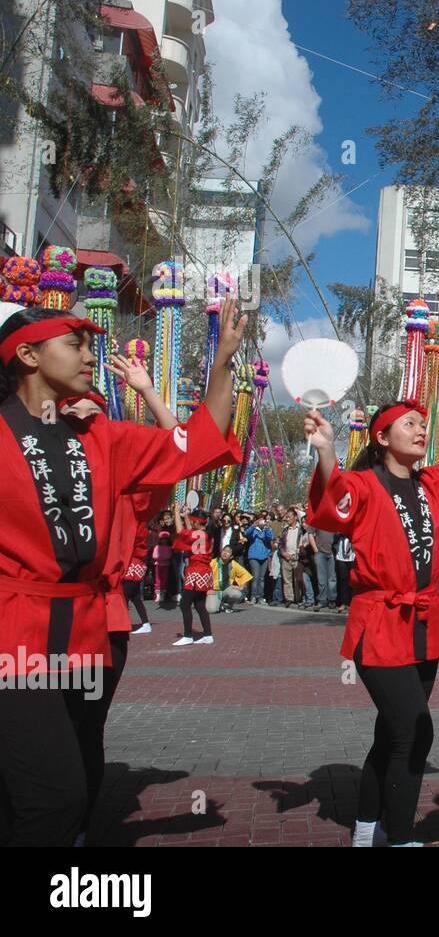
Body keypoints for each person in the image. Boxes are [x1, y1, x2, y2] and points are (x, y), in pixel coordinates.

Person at [0, 297, 244, 845]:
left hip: (87, 631)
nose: (91, 356)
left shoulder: (103, 439)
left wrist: (223, 359)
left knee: (72, 764)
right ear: (27, 355)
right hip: (12, 635)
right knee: (53, 795)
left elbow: (193, 444)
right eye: (76, 344)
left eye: (91, 344)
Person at [304, 399, 439, 847]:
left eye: (423, 423)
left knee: (391, 734)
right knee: (416, 732)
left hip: (422, 626)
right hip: (379, 623)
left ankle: (365, 830)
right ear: (380, 438)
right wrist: (325, 451)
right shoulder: (362, 484)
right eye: (409, 424)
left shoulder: (434, 484)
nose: (421, 429)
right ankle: (399, 838)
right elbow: (332, 502)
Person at [172, 504, 217, 645]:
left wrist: (176, 512)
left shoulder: (197, 534)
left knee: (184, 604)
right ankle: (208, 634)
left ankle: (187, 635)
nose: (191, 523)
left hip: (196, 572)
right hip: (205, 571)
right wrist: (185, 516)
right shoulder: (206, 534)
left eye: (192, 521)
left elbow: (181, 532)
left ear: (197, 522)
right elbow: (191, 531)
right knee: (199, 604)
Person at [212, 545, 253, 612]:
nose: (225, 553)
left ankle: (227, 605)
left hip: (226, 589)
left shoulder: (233, 564)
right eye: (224, 550)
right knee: (212, 610)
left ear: (231, 556)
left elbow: (245, 574)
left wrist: (241, 587)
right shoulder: (213, 562)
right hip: (214, 590)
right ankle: (219, 604)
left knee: (237, 594)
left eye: (228, 552)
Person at [244, 512, 274, 605]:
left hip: (264, 556)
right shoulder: (254, 529)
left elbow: (270, 538)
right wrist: (253, 525)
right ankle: (253, 596)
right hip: (254, 556)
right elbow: (246, 533)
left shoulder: (266, 530)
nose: (261, 522)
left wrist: (268, 528)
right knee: (255, 577)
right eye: (260, 520)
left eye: (263, 520)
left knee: (262, 578)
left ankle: (261, 596)